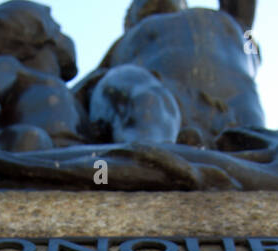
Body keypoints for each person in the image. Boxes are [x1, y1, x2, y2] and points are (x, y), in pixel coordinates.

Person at [78, 0, 264, 147]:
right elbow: (85, 92)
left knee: (258, 142)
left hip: (233, 114)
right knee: (133, 88)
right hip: (156, 107)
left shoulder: (228, 22)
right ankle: (149, 153)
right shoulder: (124, 44)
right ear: (131, 20)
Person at [0, 1, 86, 152]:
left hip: (71, 153)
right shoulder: (11, 67)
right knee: (28, 138)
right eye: (59, 31)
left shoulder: (75, 95)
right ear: (41, 34)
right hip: (28, 148)